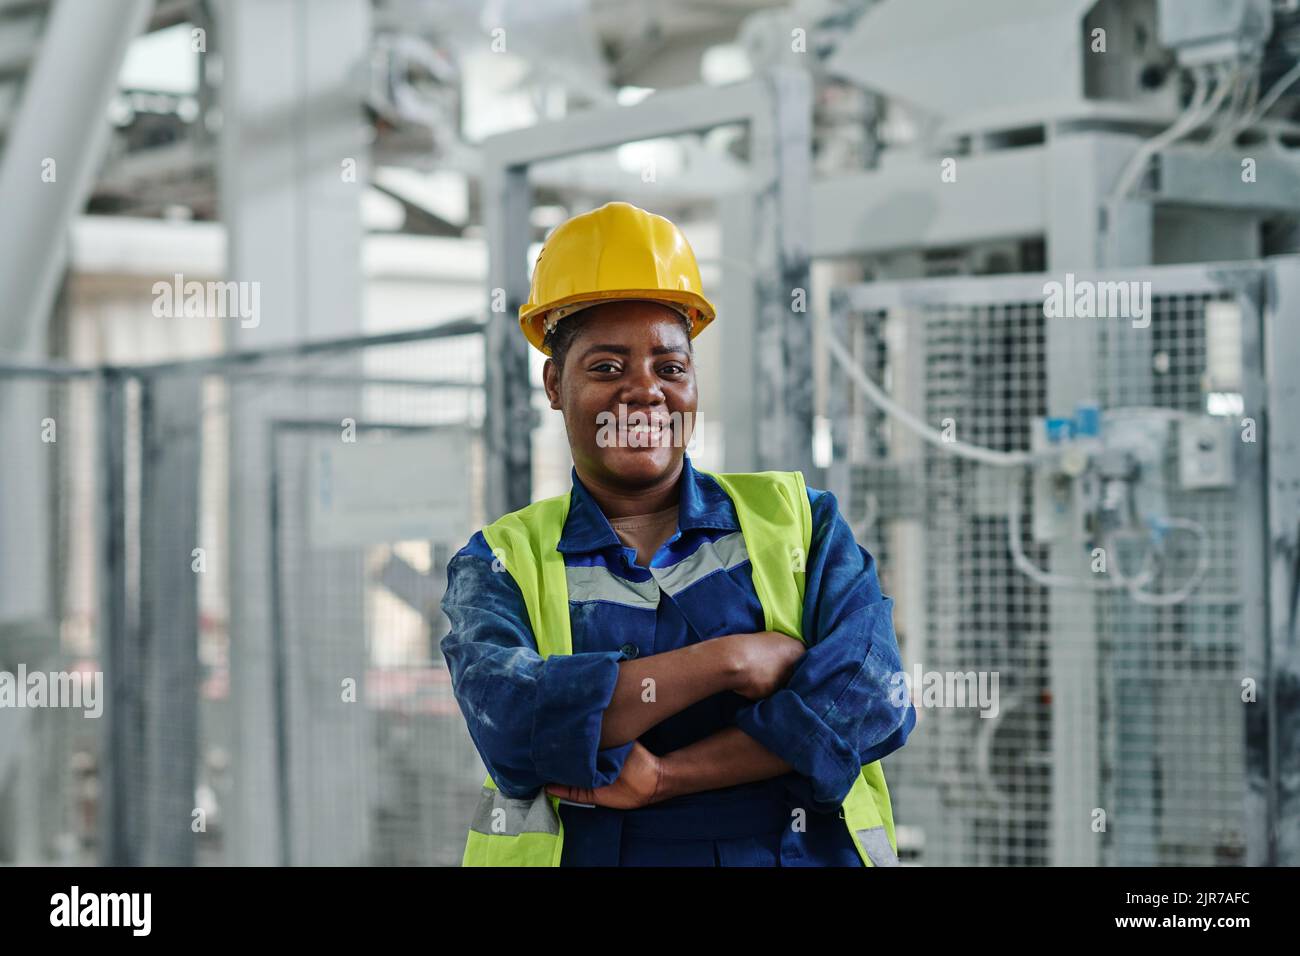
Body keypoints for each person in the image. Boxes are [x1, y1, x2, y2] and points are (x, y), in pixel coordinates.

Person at [441, 200, 916, 867]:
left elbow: (871, 700)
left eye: (670, 368)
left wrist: (666, 776)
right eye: (606, 367)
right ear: (554, 383)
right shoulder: (500, 562)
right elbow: (516, 729)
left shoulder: (798, 522)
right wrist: (730, 661)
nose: (645, 392)